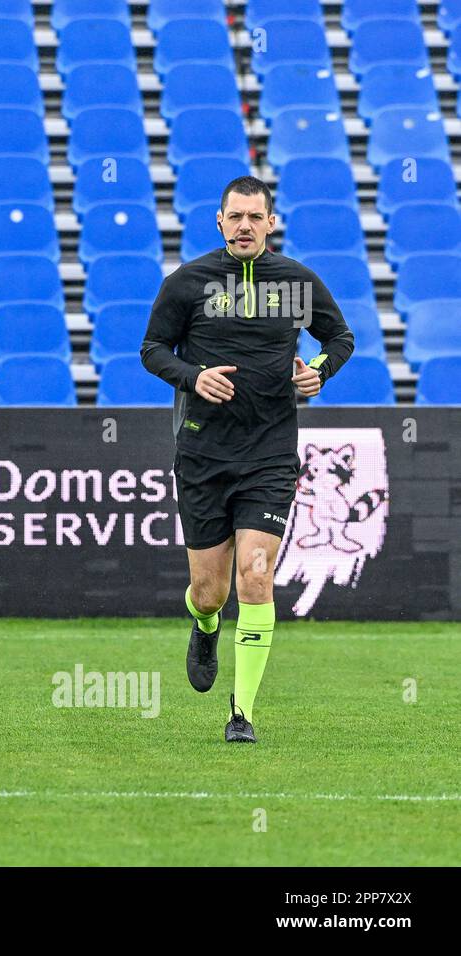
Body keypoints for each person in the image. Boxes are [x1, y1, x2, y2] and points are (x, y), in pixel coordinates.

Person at [140, 175, 354, 743]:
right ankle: (204, 625)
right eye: (235, 217)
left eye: (254, 218)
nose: (244, 226)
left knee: (256, 577)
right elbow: (152, 350)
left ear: (270, 223)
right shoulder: (186, 283)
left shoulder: (297, 282)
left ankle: (242, 714)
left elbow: (340, 338)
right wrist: (193, 376)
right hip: (204, 452)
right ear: (219, 221)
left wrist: (318, 372)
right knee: (211, 590)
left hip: (270, 452)